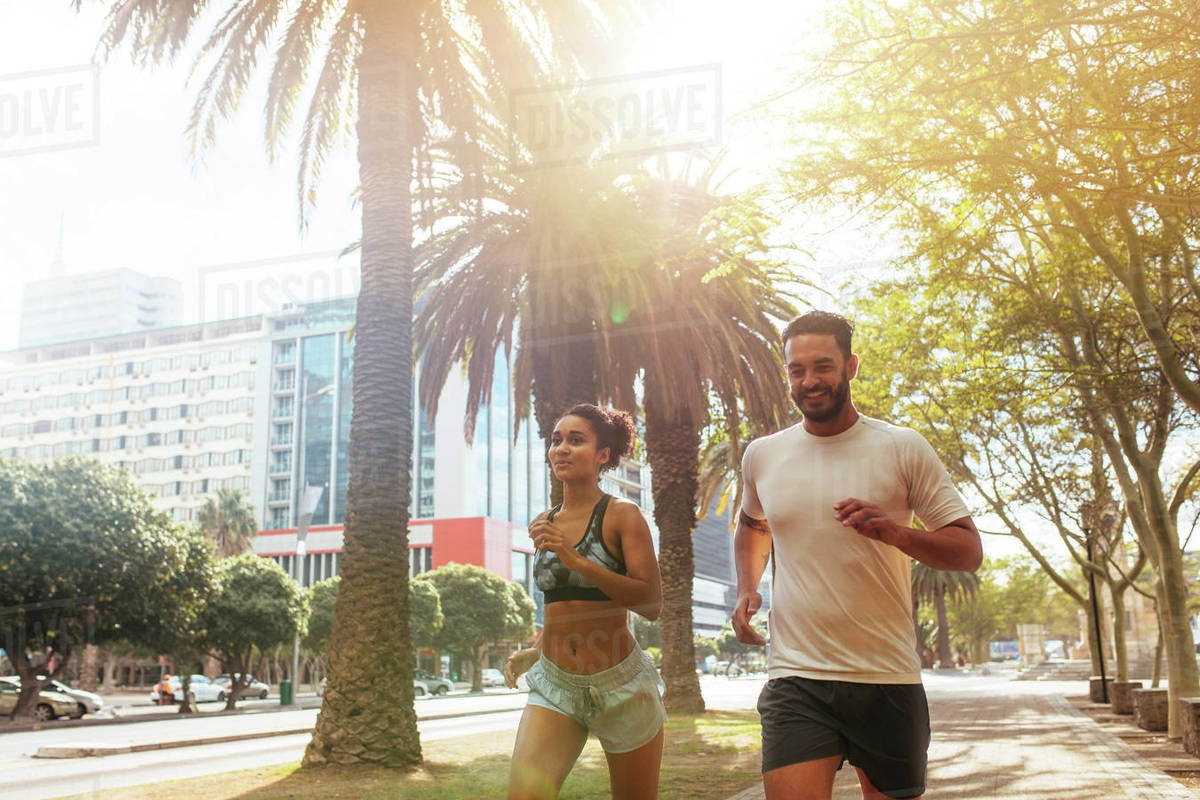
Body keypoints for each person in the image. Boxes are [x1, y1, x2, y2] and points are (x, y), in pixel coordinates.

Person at [731, 311, 982, 800]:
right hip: (796, 677)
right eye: (796, 370)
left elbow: (968, 551)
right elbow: (752, 524)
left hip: (886, 677)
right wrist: (747, 588)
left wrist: (895, 533)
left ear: (851, 366)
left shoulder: (902, 447)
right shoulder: (762, 455)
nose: (809, 381)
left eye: (823, 366)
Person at [504, 403, 664, 800]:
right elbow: (562, 603)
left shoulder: (622, 516)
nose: (561, 448)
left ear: (602, 455)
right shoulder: (546, 522)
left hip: (621, 686)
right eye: (556, 440)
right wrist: (536, 652)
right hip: (557, 685)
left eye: (576, 440)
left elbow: (650, 602)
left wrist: (576, 558)